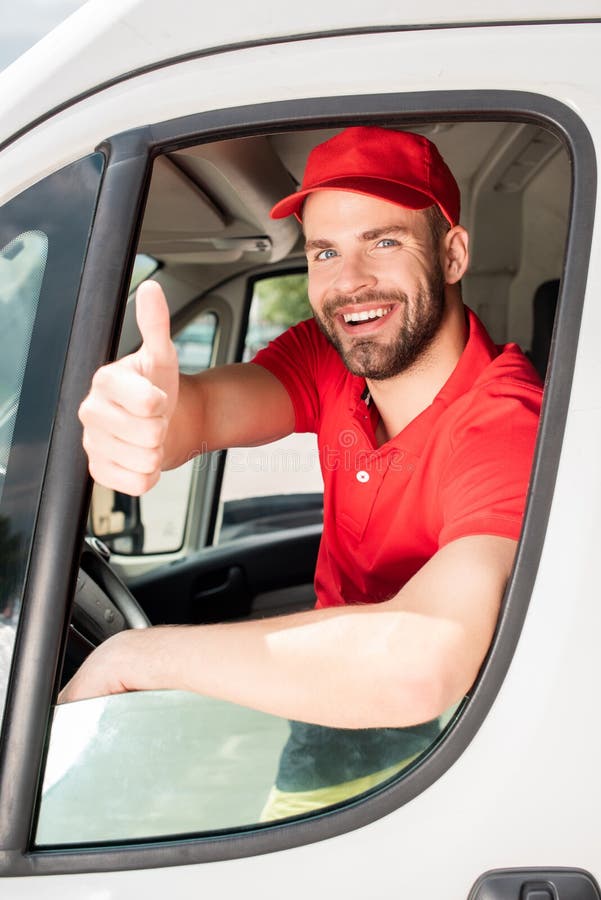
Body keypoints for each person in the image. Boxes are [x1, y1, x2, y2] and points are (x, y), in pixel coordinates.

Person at [60, 126, 543, 817]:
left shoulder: (505, 423)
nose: (349, 283)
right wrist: (148, 421)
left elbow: (423, 663)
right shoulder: (330, 354)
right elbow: (208, 411)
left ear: (452, 253)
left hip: (443, 759)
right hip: (326, 712)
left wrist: (137, 657)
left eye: (383, 241)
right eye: (325, 251)